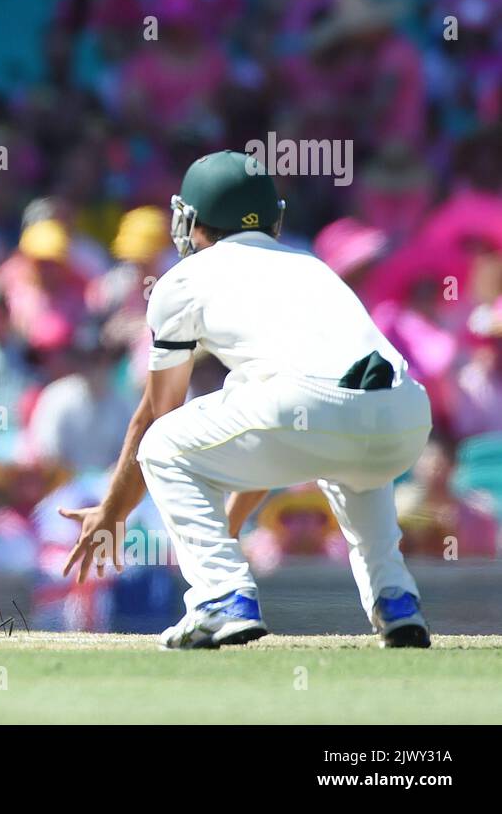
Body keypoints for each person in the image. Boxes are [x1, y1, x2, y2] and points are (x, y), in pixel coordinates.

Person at [60, 151, 434, 649]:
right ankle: (396, 599)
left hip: (310, 410)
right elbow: (290, 428)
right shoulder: (313, 267)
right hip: (406, 414)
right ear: (273, 216)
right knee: (351, 457)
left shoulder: (182, 282)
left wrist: (112, 513)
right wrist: (226, 527)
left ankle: (221, 598)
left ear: (190, 220)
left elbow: (157, 414)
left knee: (163, 445)